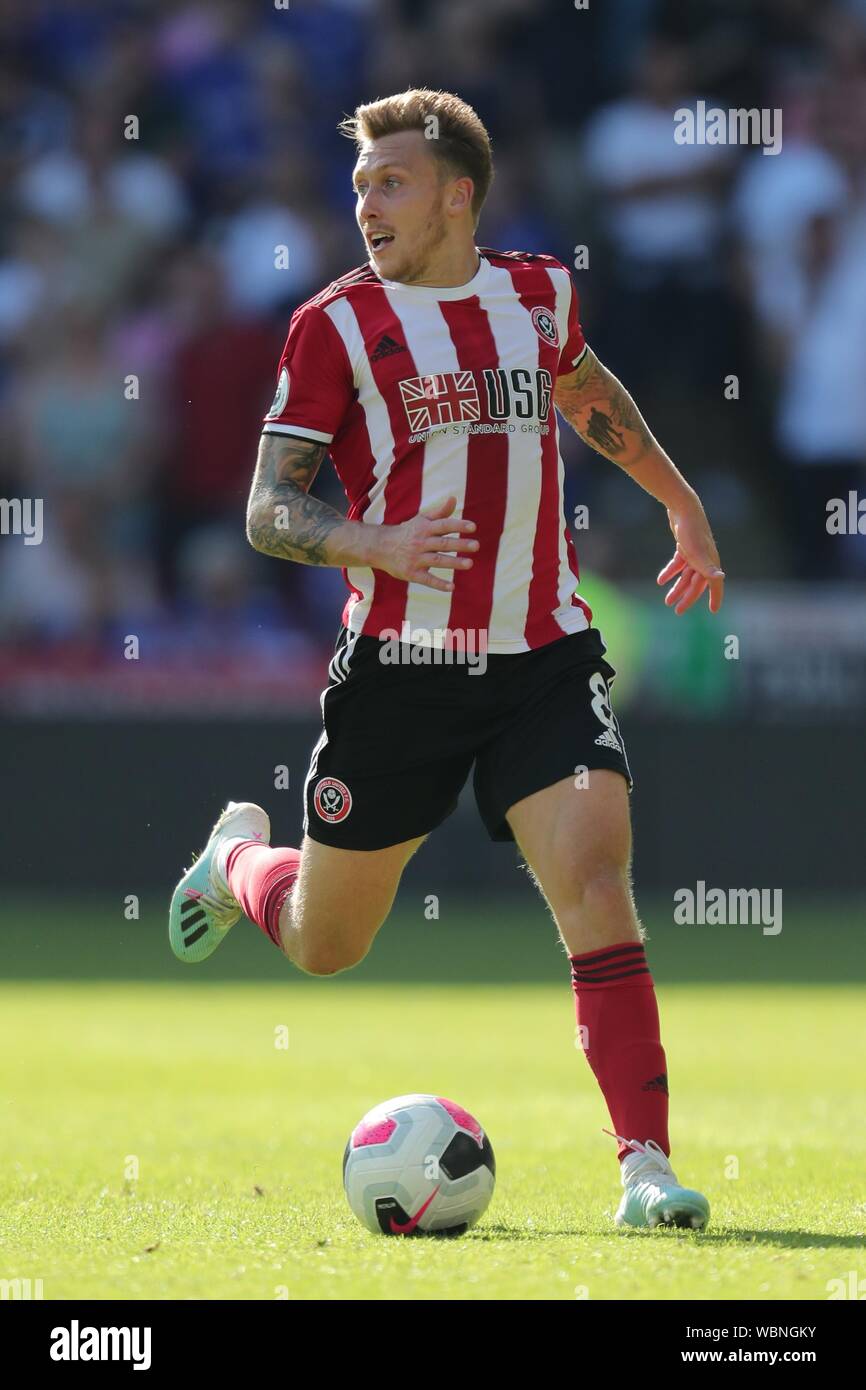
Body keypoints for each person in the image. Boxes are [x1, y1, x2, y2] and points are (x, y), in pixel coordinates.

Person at [169, 89, 725, 1232]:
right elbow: (269, 509)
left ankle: (645, 1167)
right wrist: (373, 540)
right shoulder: (332, 325)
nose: (365, 202)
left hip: (540, 654)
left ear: (457, 194)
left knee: (597, 886)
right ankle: (238, 862)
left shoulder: (537, 294)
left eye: (392, 181)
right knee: (327, 945)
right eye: (361, 183)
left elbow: (587, 393)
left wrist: (680, 505)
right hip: (399, 672)